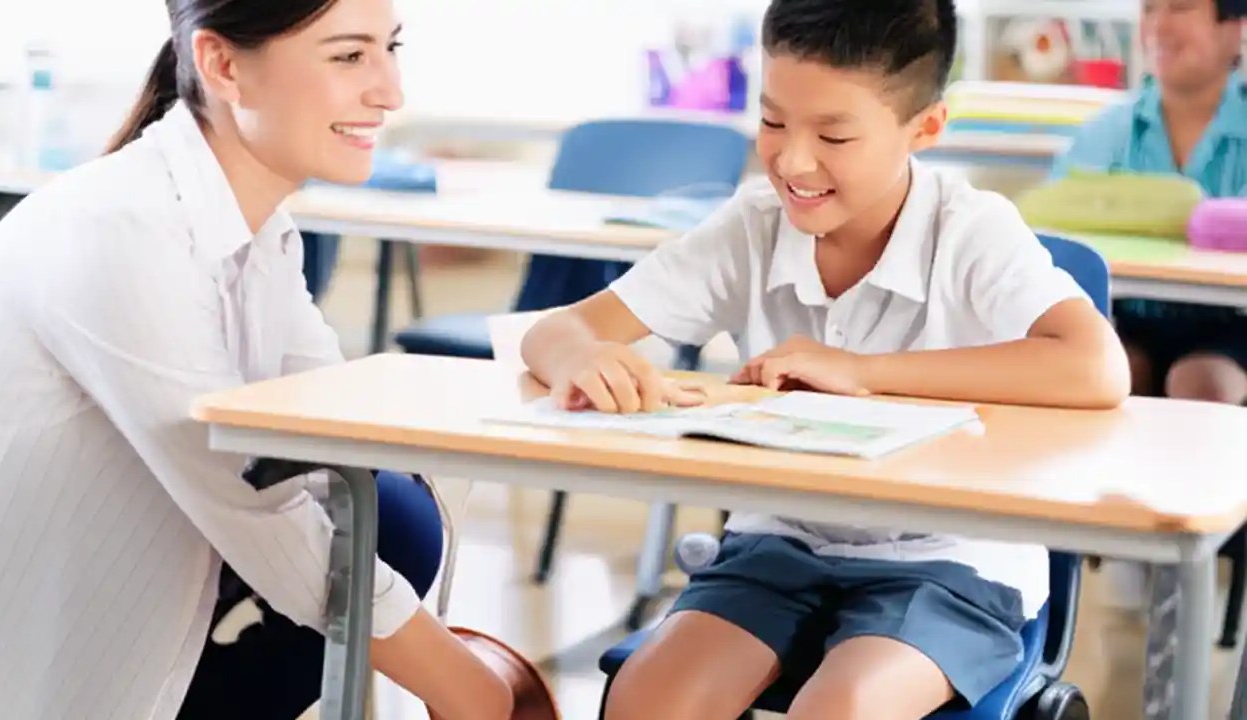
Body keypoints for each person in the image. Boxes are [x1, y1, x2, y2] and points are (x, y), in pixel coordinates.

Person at [521, 0, 1129, 718]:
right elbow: (555, 331)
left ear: (925, 128)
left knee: (836, 711)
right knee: (643, 703)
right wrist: (579, 357)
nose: (793, 160)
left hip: (947, 561)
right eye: (774, 121)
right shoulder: (750, 227)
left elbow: (1095, 368)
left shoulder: (972, 232)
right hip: (778, 545)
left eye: (834, 134)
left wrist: (863, 372)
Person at [0, 1, 512, 719]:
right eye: (349, 56)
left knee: (389, 512)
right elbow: (251, 503)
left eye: (391, 48)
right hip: (21, 659)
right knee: (340, 528)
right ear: (223, 65)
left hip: (127, 591)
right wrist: (466, 685)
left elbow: (329, 432)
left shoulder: (258, 228)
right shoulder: (117, 228)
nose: (390, 91)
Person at [1053, 0, 1247, 405]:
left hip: (1236, 326)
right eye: (1148, 9)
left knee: (1201, 383)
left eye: (1180, 8)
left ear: (1234, 27)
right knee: (1106, 371)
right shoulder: (1106, 133)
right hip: (1128, 318)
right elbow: (1056, 236)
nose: (1158, 26)